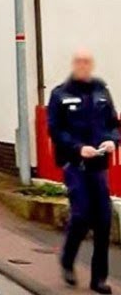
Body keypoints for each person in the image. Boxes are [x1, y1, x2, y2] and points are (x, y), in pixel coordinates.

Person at [48, 49, 119, 294]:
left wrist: (112, 141)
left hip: (98, 168)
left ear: (92, 65)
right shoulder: (60, 95)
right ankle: (67, 260)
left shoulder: (102, 92)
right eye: (78, 61)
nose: (83, 66)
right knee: (81, 215)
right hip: (75, 166)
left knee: (103, 221)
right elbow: (55, 131)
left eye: (87, 62)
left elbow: (112, 124)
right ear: (73, 65)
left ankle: (99, 279)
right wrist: (78, 148)